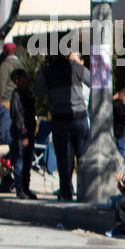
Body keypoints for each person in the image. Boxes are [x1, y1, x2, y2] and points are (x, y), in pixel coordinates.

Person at [35, 50, 90, 201]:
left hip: (59, 118)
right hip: (79, 116)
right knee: (83, 155)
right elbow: (92, 81)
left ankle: (66, 191)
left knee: (64, 159)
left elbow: (38, 90)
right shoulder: (75, 67)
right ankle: (84, 190)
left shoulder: (47, 71)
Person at [8, 68, 38, 198]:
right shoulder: (16, 95)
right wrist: (23, 135)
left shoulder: (28, 94)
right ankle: (19, 189)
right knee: (19, 163)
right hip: (21, 136)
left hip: (30, 134)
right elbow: (18, 117)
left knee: (27, 163)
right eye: (23, 77)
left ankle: (26, 188)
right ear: (17, 80)